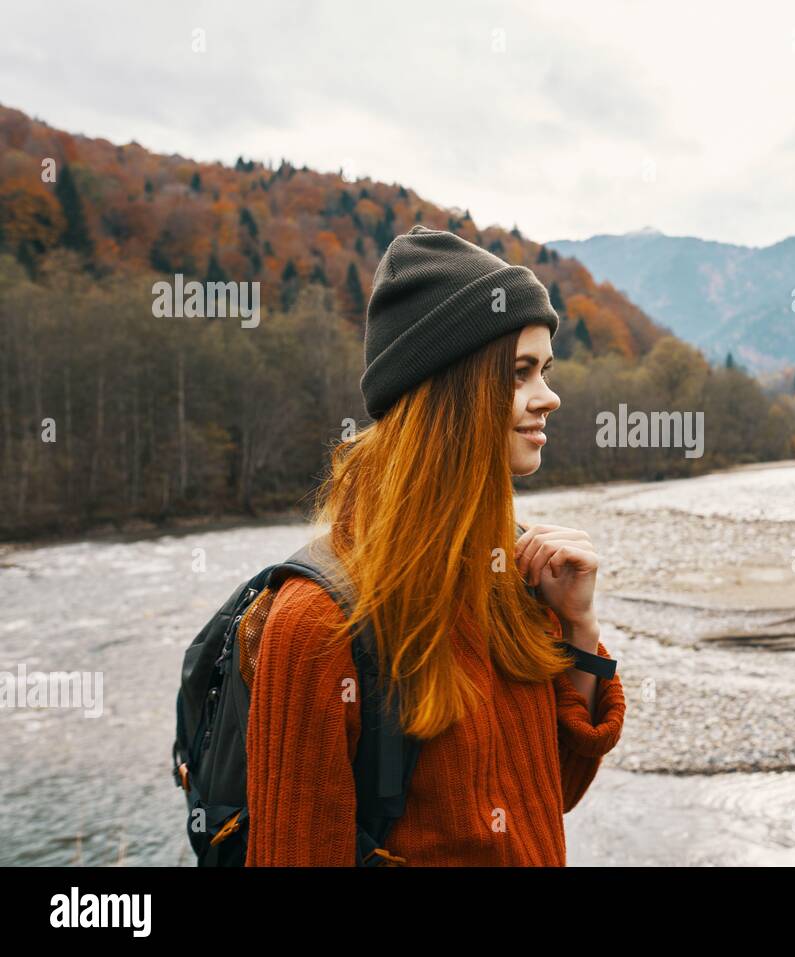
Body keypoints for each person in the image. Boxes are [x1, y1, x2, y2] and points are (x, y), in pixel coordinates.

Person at [244, 225, 625, 866]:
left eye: (547, 371)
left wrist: (580, 628)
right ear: (451, 394)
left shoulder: (518, 579)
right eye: (520, 374)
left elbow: (552, 793)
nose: (550, 397)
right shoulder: (316, 624)